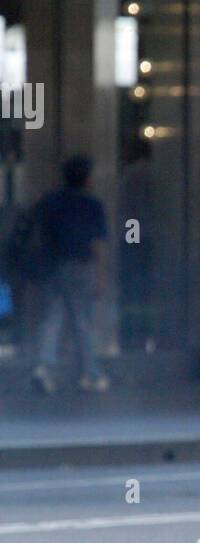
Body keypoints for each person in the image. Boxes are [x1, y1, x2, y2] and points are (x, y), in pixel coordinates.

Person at [32, 155, 109, 395]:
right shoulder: (92, 205)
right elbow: (97, 244)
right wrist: (101, 277)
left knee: (52, 319)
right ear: (86, 178)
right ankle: (91, 374)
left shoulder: (50, 202)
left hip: (53, 266)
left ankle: (45, 367)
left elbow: (40, 234)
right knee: (82, 321)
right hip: (80, 267)